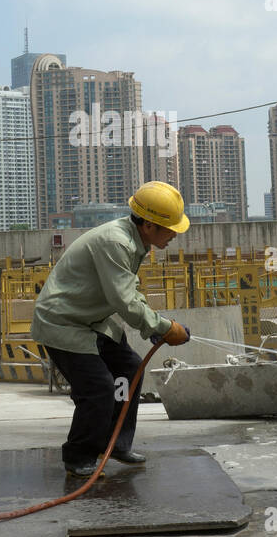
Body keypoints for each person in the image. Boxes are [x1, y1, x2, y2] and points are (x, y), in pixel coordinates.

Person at [31, 181, 192, 477]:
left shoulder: (134, 242)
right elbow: (124, 301)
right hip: (63, 323)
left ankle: (115, 443)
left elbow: (130, 291)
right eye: (170, 228)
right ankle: (79, 455)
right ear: (147, 224)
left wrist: (155, 327)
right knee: (98, 389)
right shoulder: (115, 242)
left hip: (91, 321)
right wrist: (165, 327)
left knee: (129, 368)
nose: (174, 234)